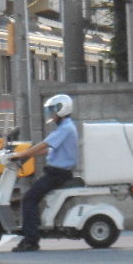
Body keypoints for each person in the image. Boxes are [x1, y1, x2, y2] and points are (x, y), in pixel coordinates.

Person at [8, 94, 79, 252]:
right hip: (57, 172)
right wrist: (28, 154)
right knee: (33, 197)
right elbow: (48, 149)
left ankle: (31, 240)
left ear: (62, 109)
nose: (51, 114)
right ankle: (33, 232)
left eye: (53, 110)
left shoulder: (66, 128)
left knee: (29, 199)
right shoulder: (65, 127)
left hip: (58, 174)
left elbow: (44, 144)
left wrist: (21, 154)